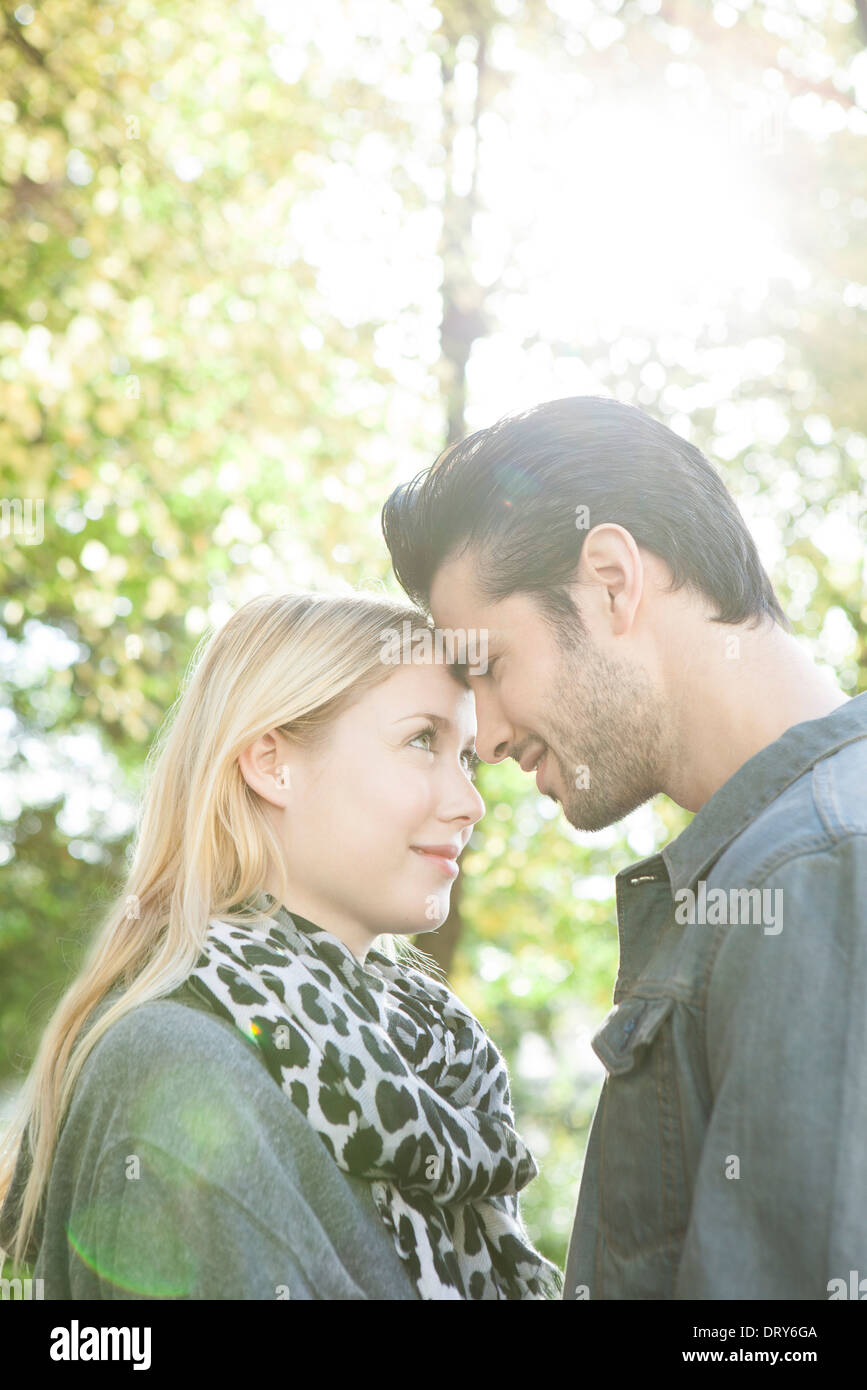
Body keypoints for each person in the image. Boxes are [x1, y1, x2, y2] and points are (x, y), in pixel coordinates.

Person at [381, 393, 867, 1300]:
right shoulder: (775, 863)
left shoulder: (819, 868)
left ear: (611, 579)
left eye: (487, 666)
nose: (483, 738)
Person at [0, 590, 563, 1301]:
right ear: (272, 763)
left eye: (466, 758)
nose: (468, 802)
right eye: (422, 740)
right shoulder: (178, 1069)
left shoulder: (428, 1061)